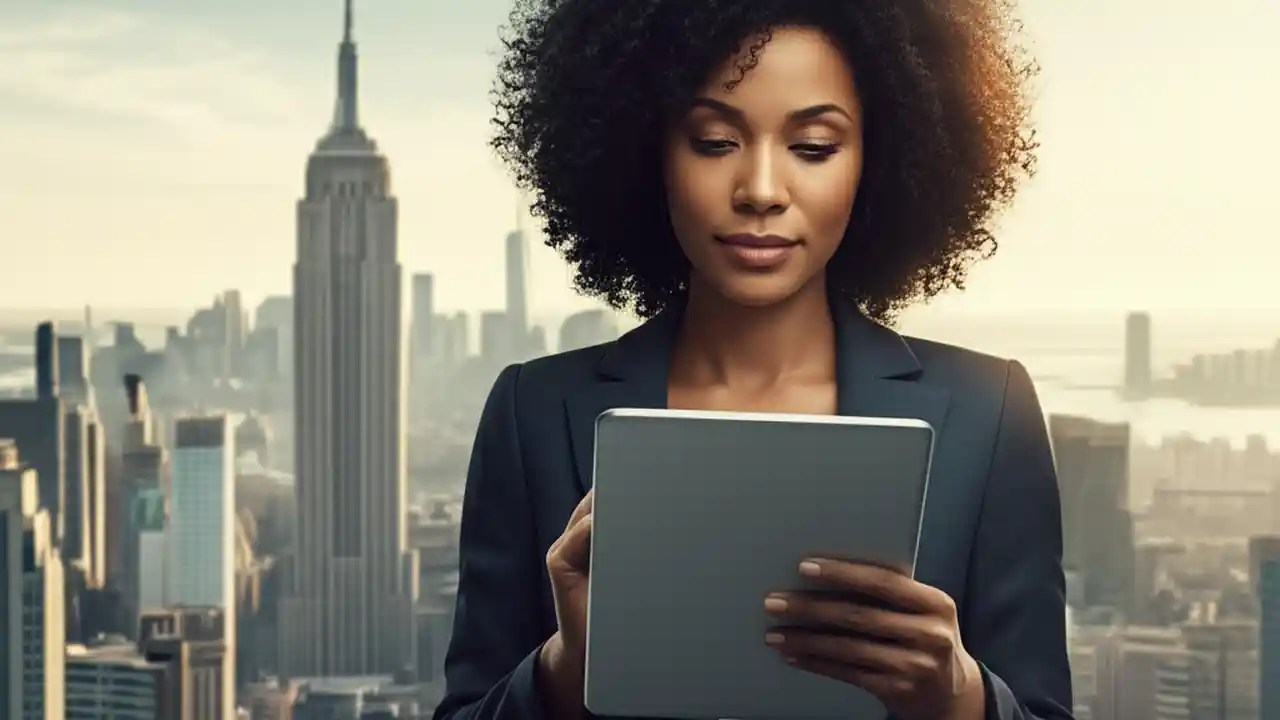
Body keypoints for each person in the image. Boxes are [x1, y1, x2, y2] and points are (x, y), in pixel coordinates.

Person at [434, 1, 1073, 718]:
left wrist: (959, 696)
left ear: (879, 158)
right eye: (713, 141)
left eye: (814, 146)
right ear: (648, 151)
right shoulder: (534, 411)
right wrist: (562, 669)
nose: (761, 192)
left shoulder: (991, 413)